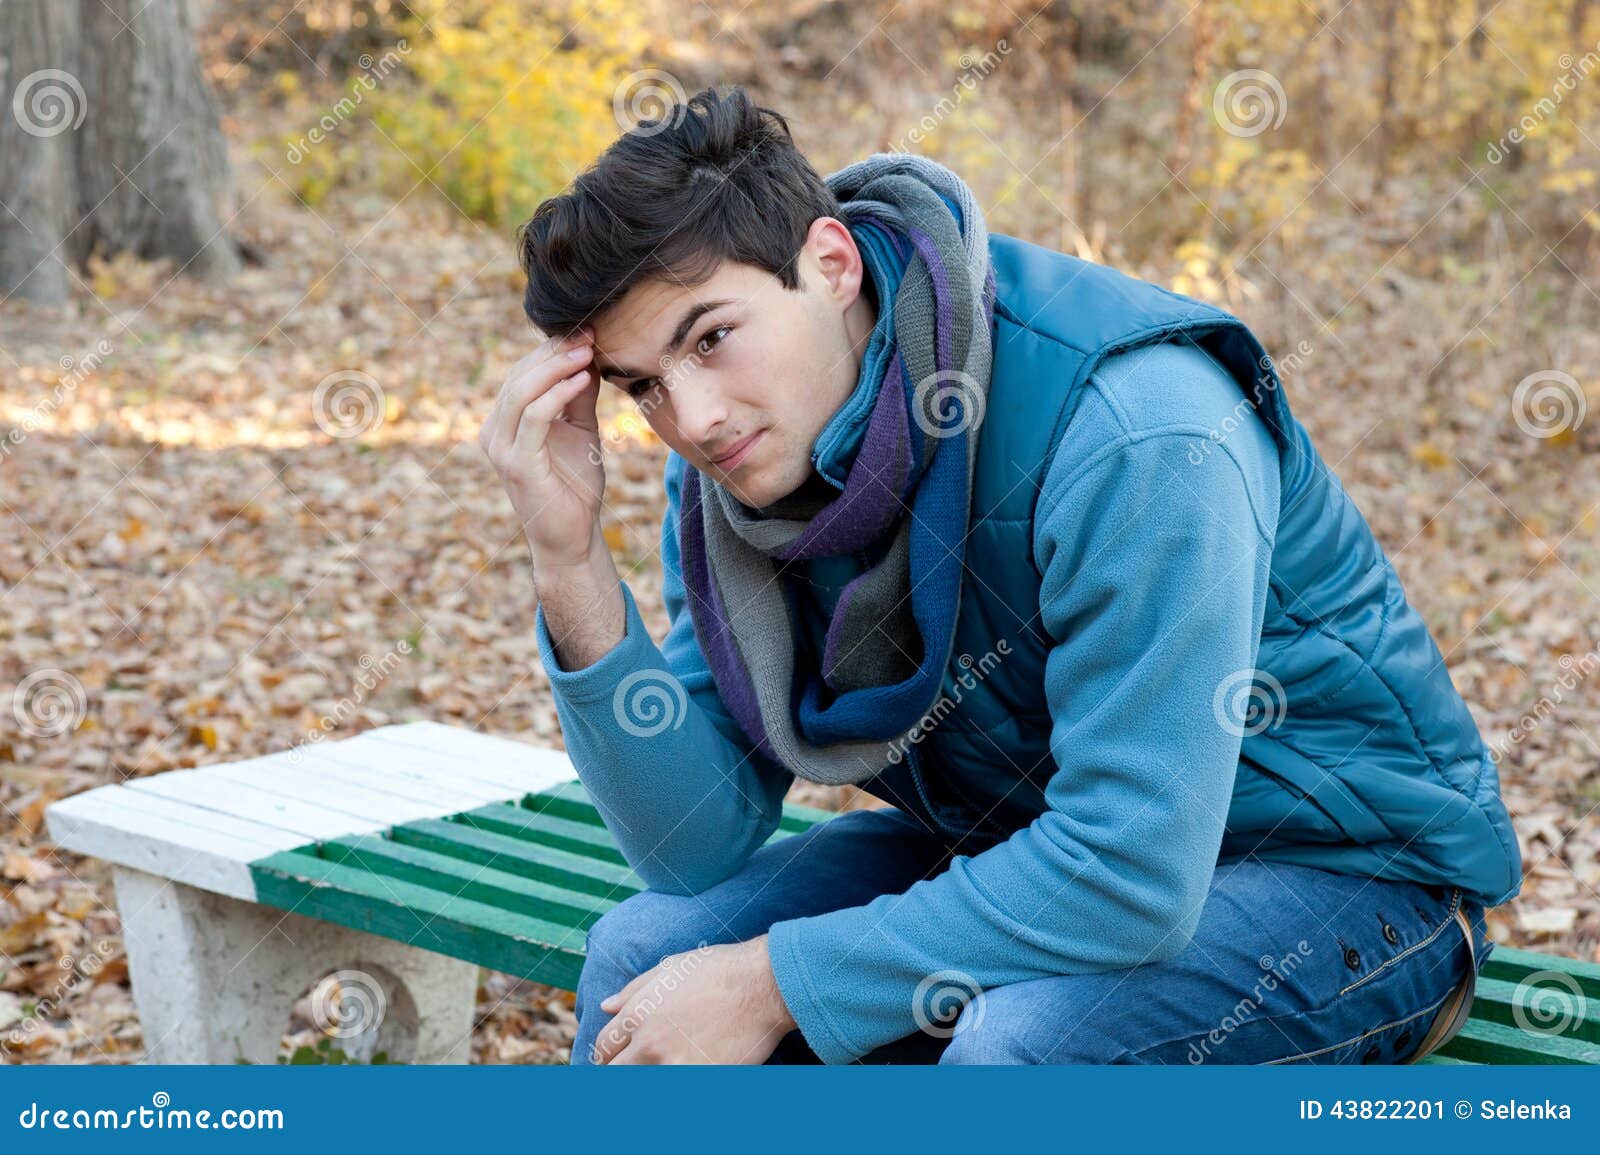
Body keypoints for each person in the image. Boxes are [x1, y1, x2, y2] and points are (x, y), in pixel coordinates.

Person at [477, 84, 1522, 1065]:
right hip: (1023, 845)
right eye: (642, 386)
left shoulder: (1136, 427)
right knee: (641, 958)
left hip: (1341, 879)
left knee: (1015, 1049)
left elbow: (1129, 870)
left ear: (831, 263)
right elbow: (690, 843)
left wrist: (772, 983)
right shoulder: (737, 471)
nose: (690, 420)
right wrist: (568, 563)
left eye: (711, 339)